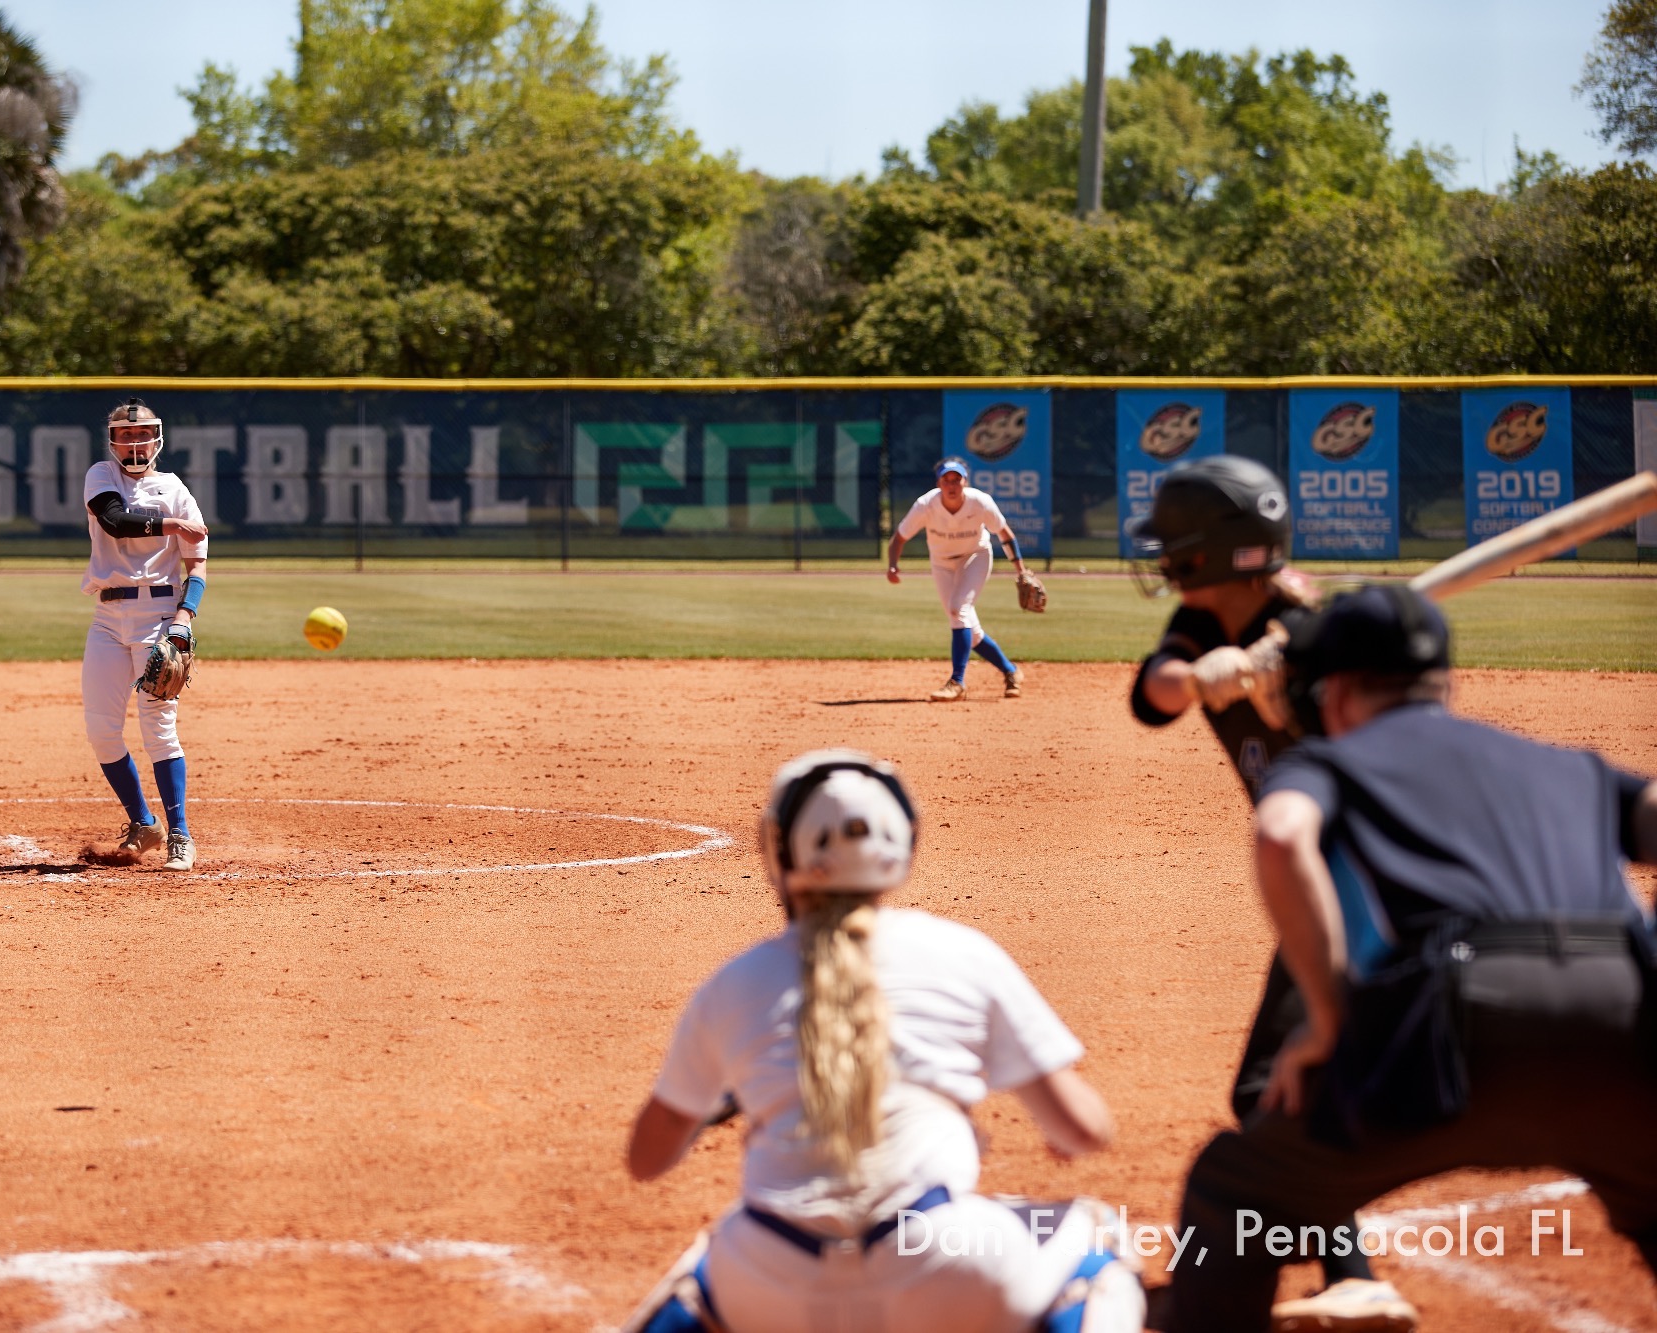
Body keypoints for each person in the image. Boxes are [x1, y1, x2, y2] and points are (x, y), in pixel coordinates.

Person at [1168, 584, 1657, 1331]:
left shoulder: (1337, 761)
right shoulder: (1562, 762)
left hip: (1460, 1020)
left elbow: (1280, 834)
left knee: (1234, 1189)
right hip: (1630, 1018)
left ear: (1332, 694)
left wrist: (1329, 1020)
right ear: (1446, 683)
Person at [620, 750, 1144, 1333]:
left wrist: (719, 1104)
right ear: (903, 845)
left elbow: (646, 1161)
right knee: (1094, 1234)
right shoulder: (959, 952)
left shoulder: (736, 982)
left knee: (703, 1274)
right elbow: (1084, 1129)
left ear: (779, 849)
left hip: (769, 1282)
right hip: (945, 1266)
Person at [1128, 457, 1415, 1333]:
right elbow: (1153, 697)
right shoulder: (1202, 622)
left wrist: (1290, 688)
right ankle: (1341, 1265)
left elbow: (1389, 731)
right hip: (1325, 885)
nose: (1167, 566)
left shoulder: (1318, 636)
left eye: (1177, 550)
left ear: (1210, 554)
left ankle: (1338, 1271)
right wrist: (1211, 672)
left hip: (1367, 880)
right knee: (1286, 1082)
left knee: (1270, 1087)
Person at [81, 397, 209, 872]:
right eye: (125, 434)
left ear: (157, 437)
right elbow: (114, 520)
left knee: (159, 730)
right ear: (112, 440)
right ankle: (143, 822)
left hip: (159, 616)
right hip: (107, 618)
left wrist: (184, 619)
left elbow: (196, 566)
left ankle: (180, 835)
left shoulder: (176, 489)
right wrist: (171, 524)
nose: (134, 442)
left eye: (141, 433)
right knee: (100, 730)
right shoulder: (101, 476)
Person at [887, 458, 1031, 702]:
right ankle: (1011, 671)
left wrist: (1021, 570)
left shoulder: (980, 502)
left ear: (965, 481)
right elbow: (899, 538)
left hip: (975, 557)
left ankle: (957, 682)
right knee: (966, 627)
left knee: (958, 609)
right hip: (941, 563)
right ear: (939, 483)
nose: (952, 484)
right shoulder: (926, 505)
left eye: (957, 479)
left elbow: (1005, 534)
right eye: (947, 479)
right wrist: (892, 566)